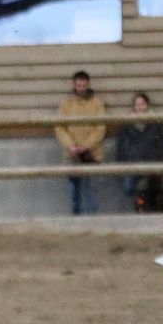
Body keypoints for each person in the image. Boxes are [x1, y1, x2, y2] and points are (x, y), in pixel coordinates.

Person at [56, 70, 105, 215]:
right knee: (73, 190)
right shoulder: (66, 103)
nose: (81, 88)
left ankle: (93, 220)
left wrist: (85, 146)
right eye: (78, 85)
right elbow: (59, 127)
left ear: (88, 84)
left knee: (93, 190)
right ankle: (75, 218)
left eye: (84, 85)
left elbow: (101, 128)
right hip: (71, 154)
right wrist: (70, 145)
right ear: (74, 85)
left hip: (92, 153)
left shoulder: (97, 103)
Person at [114, 92, 163, 213]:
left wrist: (162, 163)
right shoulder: (126, 126)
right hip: (133, 164)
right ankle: (141, 205)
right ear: (134, 107)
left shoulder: (157, 124)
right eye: (137, 104)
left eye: (142, 104)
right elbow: (121, 148)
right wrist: (123, 165)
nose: (140, 107)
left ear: (147, 105)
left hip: (153, 163)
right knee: (128, 187)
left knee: (154, 186)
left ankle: (148, 207)